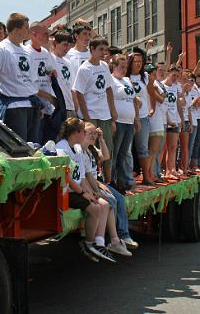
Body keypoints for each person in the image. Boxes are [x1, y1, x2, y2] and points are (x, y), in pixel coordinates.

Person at [0, 13, 54, 140]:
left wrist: (44, 102)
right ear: (16, 30)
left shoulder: (25, 51)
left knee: (34, 148)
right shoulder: (1, 49)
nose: (29, 31)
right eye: (26, 28)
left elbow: (31, 83)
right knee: (20, 150)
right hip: (14, 107)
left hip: (31, 106)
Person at [54, 117, 114, 263]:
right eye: (84, 131)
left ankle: (96, 244)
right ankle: (89, 244)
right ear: (77, 132)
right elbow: (66, 177)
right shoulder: (61, 147)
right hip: (65, 191)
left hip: (77, 190)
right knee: (94, 209)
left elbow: (81, 176)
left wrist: (89, 193)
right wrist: (83, 193)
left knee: (100, 203)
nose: (87, 134)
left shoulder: (78, 148)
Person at [81, 122, 136, 256]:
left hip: (98, 182)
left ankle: (121, 236)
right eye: (90, 133)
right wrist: (98, 188)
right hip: (93, 183)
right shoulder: (79, 150)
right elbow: (86, 176)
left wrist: (101, 139)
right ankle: (114, 239)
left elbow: (106, 156)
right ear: (81, 134)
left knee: (119, 198)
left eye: (95, 133)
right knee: (111, 200)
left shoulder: (91, 149)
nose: (93, 136)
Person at [73, 37, 117, 182]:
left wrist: (112, 111)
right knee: (90, 148)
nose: (103, 53)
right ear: (92, 49)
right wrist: (86, 118)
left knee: (107, 148)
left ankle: (108, 181)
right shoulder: (84, 68)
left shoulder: (104, 66)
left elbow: (109, 89)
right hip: (91, 114)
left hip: (104, 114)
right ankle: (93, 179)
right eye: (100, 49)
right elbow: (78, 92)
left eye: (105, 49)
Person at [109, 54, 140, 191]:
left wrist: (137, 118)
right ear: (114, 67)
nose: (124, 70)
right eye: (121, 67)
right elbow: (109, 100)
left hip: (129, 122)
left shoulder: (127, 80)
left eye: (125, 67)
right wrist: (112, 120)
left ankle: (122, 180)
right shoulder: (110, 80)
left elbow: (134, 100)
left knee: (124, 153)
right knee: (114, 153)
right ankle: (112, 179)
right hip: (119, 121)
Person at [127, 49, 151, 182]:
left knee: (143, 148)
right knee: (128, 148)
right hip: (129, 117)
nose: (138, 64)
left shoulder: (145, 76)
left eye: (140, 62)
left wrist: (151, 110)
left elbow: (152, 93)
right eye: (135, 61)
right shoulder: (125, 77)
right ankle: (129, 177)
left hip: (143, 116)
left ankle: (146, 177)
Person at [50, 30, 77, 119]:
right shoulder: (49, 58)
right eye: (65, 44)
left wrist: (76, 107)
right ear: (55, 43)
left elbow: (73, 87)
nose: (68, 48)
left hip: (70, 108)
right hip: (57, 108)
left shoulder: (68, 63)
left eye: (70, 45)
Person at [162, 66, 183, 179]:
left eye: (177, 76)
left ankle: (171, 169)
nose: (175, 78)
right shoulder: (161, 85)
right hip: (164, 120)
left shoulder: (175, 87)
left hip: (174, 120)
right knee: (162, 148)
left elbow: (178, 104)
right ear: (168, 73)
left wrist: (182, 119)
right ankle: (163, 170)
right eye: (173, 75)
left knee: (173, 146)